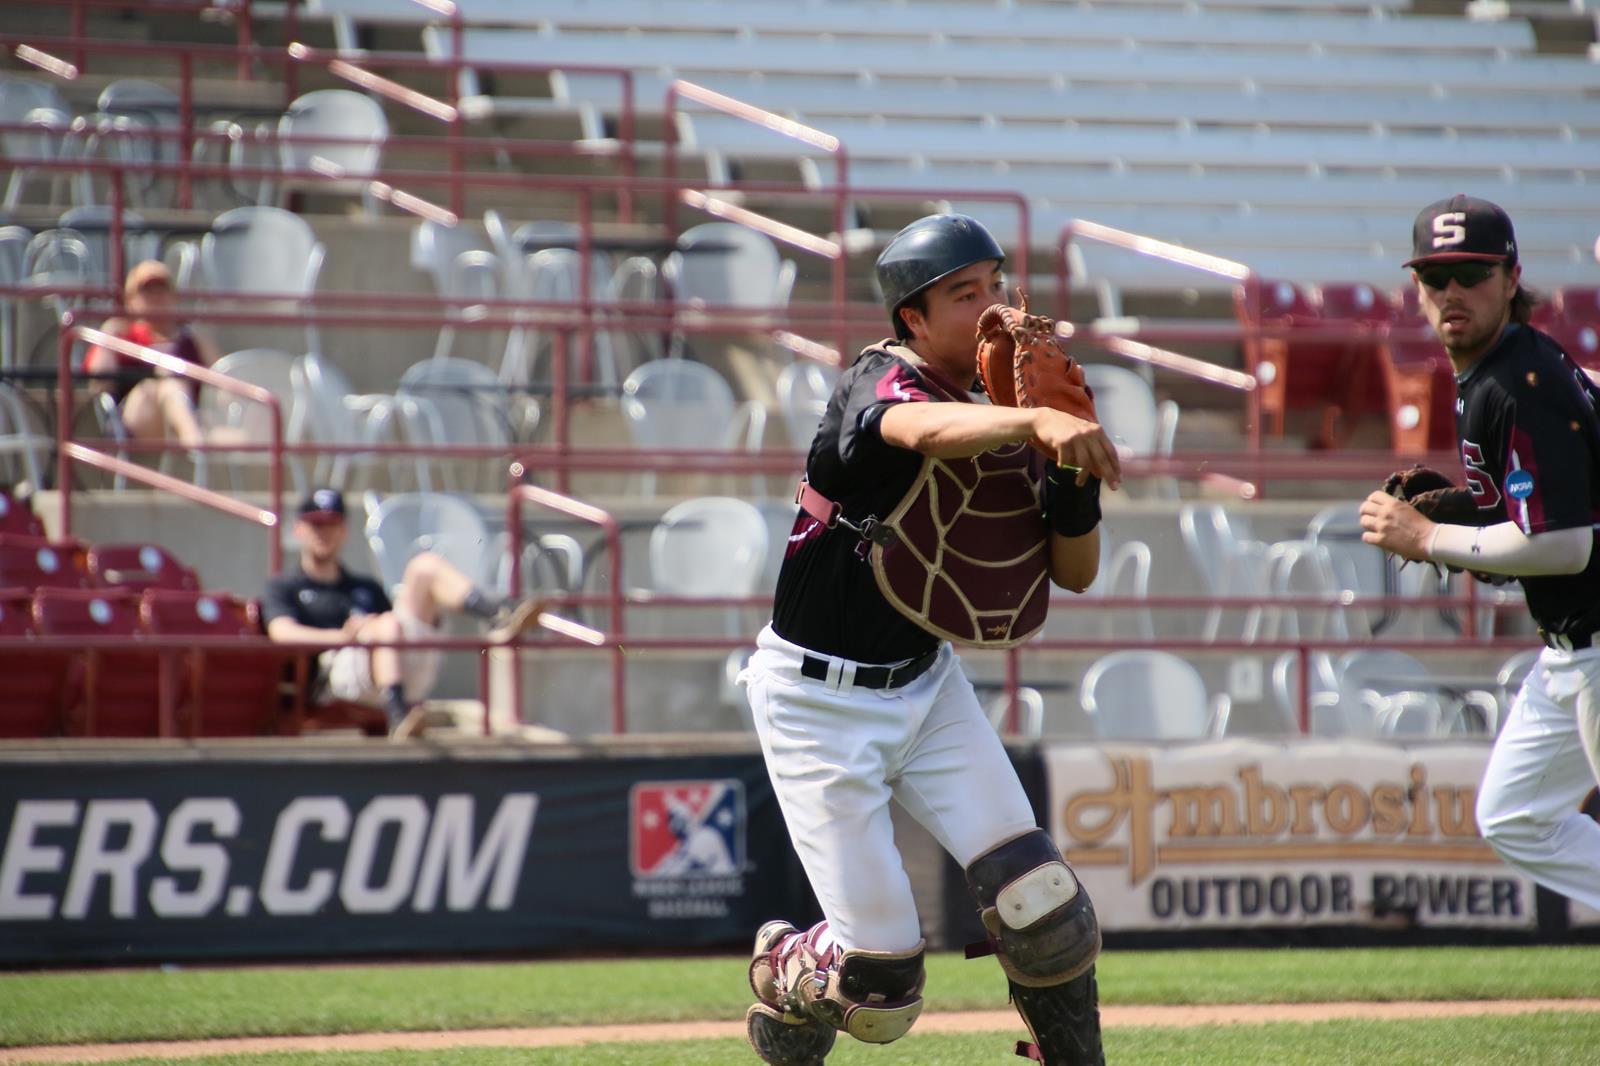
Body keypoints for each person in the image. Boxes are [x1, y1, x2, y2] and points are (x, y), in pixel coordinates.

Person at [737, 214, 1120, 1066]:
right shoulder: (877, 379)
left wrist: (1071, 475)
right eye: (963, 294)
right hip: (815, 701)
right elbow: (913, 430)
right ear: (912, 317)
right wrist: (1035, 424)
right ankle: (792, 966)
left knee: (1045, 905)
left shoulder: (1010, 421)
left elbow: (1077, 571)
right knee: (880, 991)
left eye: (995, 284)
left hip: (926, 687)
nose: (993, 309)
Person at [1360, 194, 1600, 916]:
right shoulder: (1498, 368)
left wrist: (1428, 536)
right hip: (1570, 647)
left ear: (1512, 277)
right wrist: (1474, 510)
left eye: (1472, 274)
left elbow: (1564, 544)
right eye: (1436, 277)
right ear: (1416, 288)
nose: (1452, 292)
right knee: (1515, 815)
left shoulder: (1518, 381)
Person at [262, 487, 542, 737]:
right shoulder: (285, 586)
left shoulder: (364, 586)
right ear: (298, 529)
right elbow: (282, 633)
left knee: (424, 566)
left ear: (344, 530)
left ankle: (499, 613)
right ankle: (398, 716)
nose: (324, 532)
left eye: (332, 523)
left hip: (394, 665)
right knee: (387, 625)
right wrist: (344, 635)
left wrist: (373, 627)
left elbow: (394, 628)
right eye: (316, 524)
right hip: (333, 676)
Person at [83, 260, 220, 449]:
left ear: (174, 296)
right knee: (169, 381)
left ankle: (198, 444)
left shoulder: (193, 338)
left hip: (194, 414)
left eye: (162, 288)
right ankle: (195, 445)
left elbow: (221, 386)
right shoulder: (123, 336)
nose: (156, 296)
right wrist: (108, 334)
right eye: (146, 290)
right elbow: (99, 384)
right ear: (130, 299)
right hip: (139, 416)